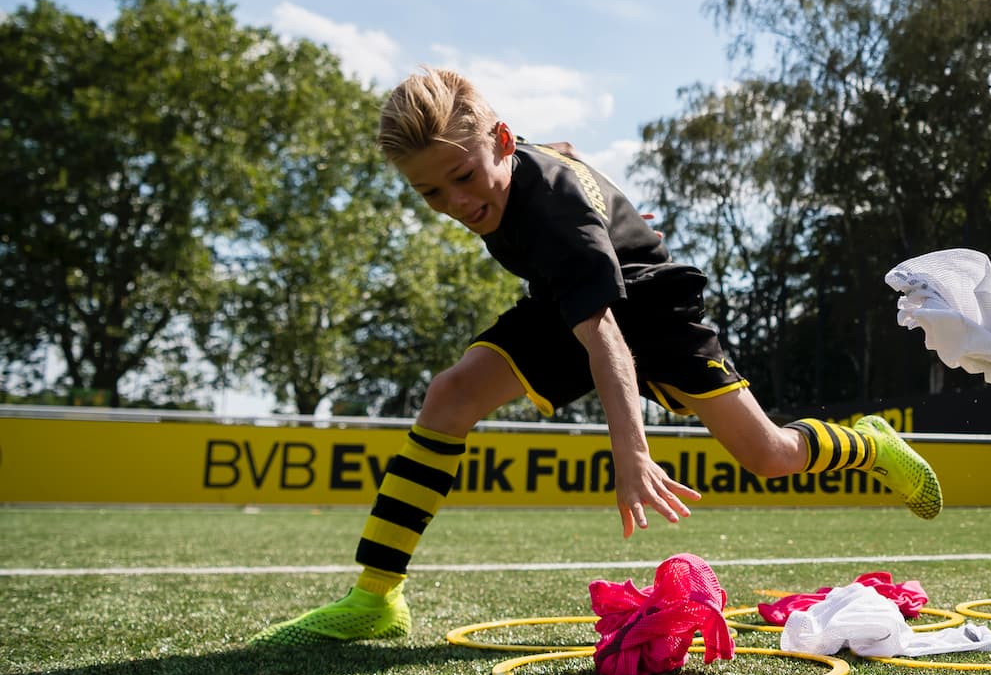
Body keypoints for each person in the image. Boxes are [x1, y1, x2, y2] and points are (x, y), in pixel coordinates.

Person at [255, 68, 941, 646]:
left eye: (463, 178)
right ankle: (377, 598)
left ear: (496, 143)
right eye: (430, 192)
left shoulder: (555, 220)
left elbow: (607, 338)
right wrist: (600, 187)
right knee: (450, 396)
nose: (456, 203)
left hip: (650, 308)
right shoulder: (505, 157)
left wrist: (633, 452)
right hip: (567, 295)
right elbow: (557, 150)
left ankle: (867, 443)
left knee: (768, 455)